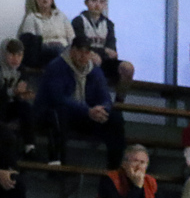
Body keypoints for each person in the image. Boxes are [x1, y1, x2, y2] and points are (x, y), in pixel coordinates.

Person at [35, 37, 125, 168]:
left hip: (85, 115)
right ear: (72, 51)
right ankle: (57, 164)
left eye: (87, 52)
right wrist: (87, 111)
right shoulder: (57, 67)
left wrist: (102, 109)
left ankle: (114, 169)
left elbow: (105, 98)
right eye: (80, 52)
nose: (83, 56)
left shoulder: (95, 70)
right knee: (59, 112)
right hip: (56, 115)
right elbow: (58, 98)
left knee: (115, 118)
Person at [71, 0, 134, 92]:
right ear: (86, 3)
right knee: (93, 59)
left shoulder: (109, 24)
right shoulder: (78, 21)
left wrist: (99, 52)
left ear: (105, 5)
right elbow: (80, 46)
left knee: (128, 68)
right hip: (84, 60)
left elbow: (113, 53)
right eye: (93, 0)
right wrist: (103, 51)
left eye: (101, 2)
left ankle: (119, 103)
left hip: (105, 62)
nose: (97, 5)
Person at [18, 0, 73, 68]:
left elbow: (72, 37)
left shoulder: (61, 15)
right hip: (44, 52)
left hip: (64, 49)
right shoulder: (31, 18)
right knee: (58, 50)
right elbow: (30, 44)